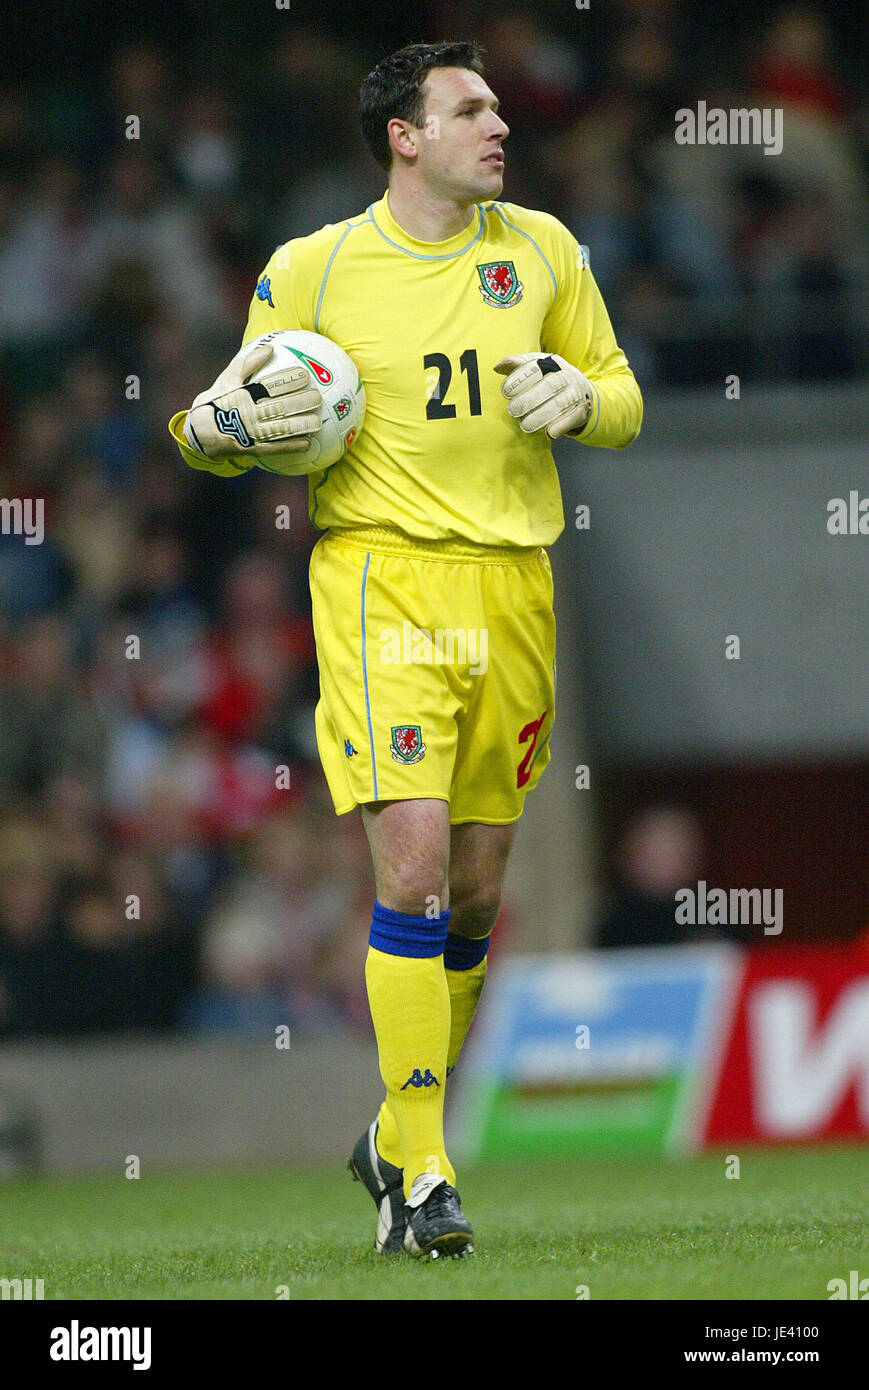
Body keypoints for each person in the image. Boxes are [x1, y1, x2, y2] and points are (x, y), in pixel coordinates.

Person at [168, 40, 642, 1259]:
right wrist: (212, 427)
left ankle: (392, 1131)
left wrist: (582, 402)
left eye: (495, 106)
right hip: (382, 582)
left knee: (480, 893)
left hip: (515, 589)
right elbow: (216, 419)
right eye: (468, 109)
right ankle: (425, 1172)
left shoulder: (542, 250)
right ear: (403, 136)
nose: (498, 125)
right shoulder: (311, 268)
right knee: (415, 870)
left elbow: (622, 394)